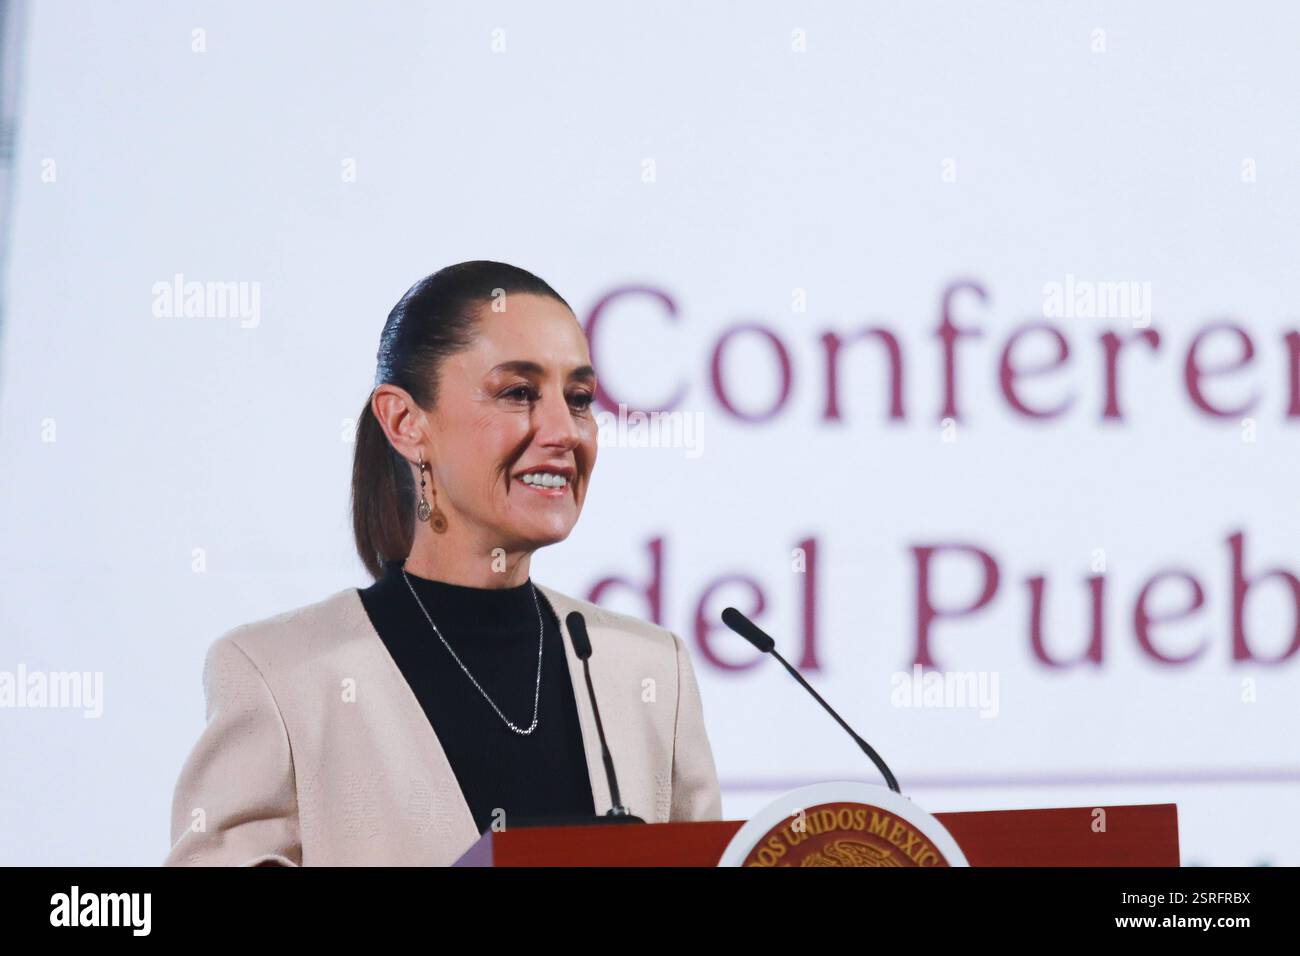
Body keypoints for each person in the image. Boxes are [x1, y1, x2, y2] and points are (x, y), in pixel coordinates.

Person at [163, 260, 722, 866]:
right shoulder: (278, 675)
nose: (565, 430)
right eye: (518, 393)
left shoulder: (649, 671)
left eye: (580, 398)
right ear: (405, 422)